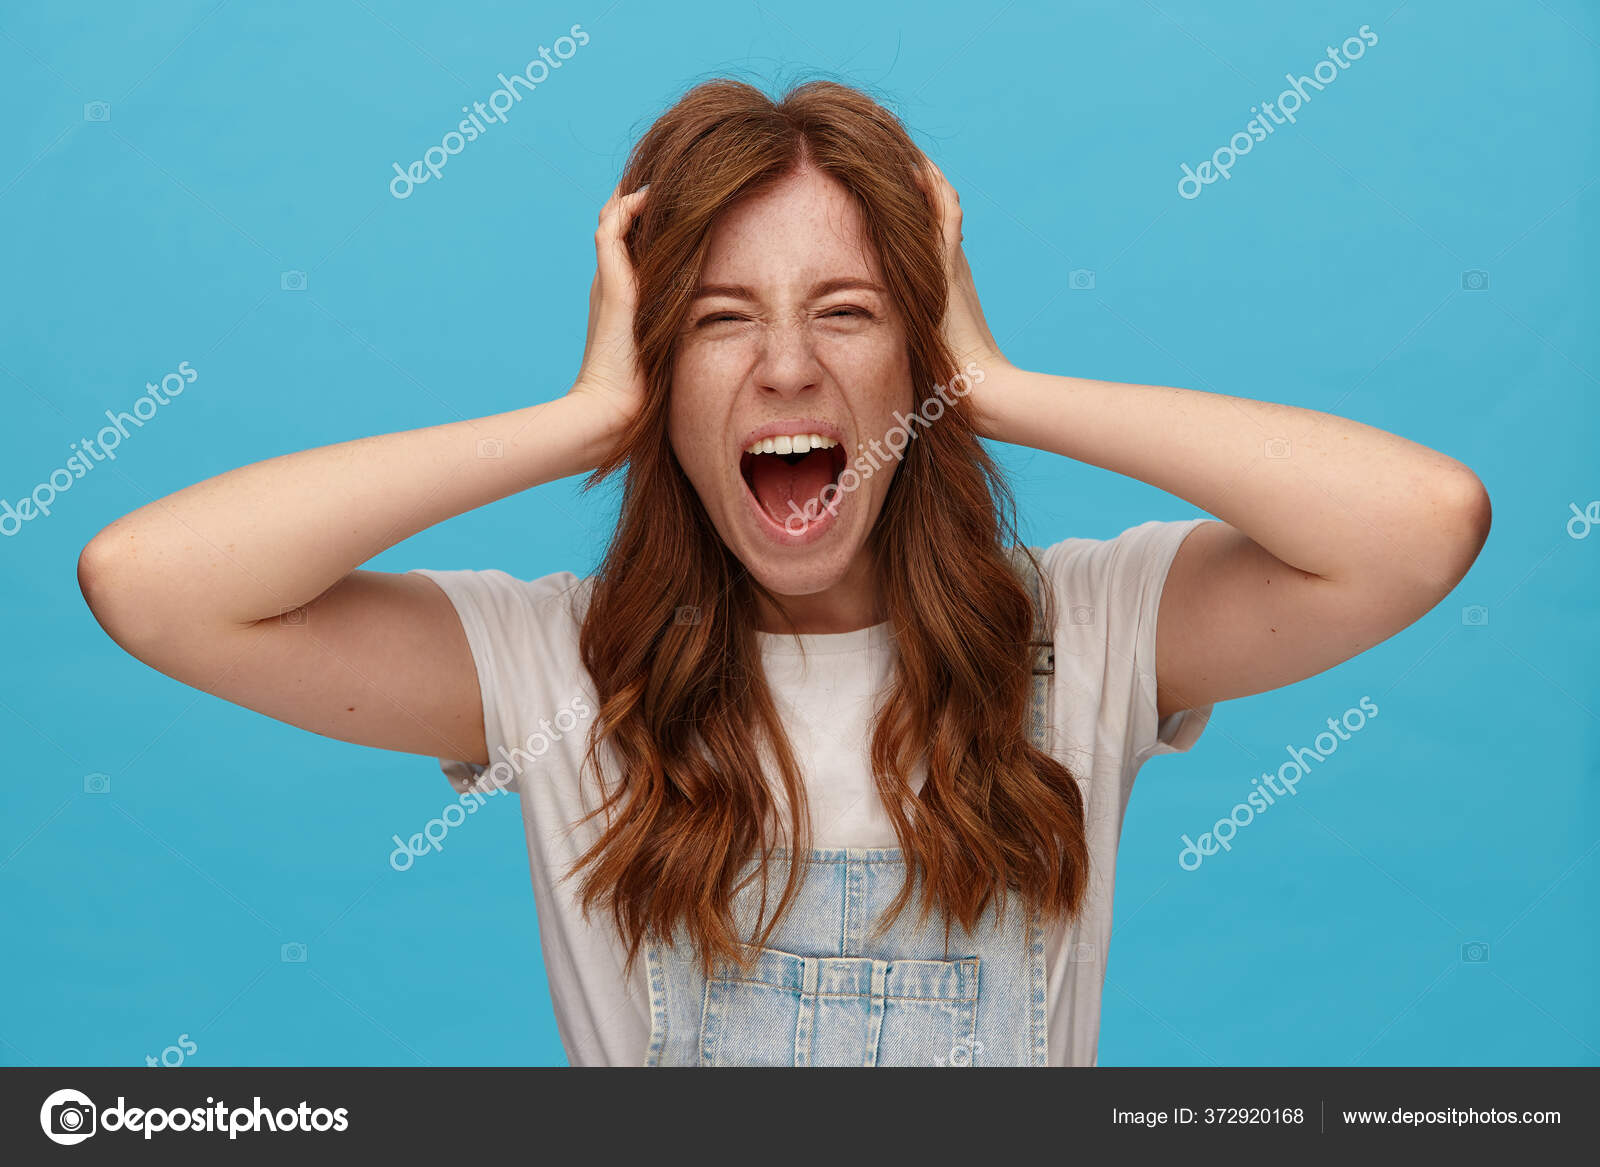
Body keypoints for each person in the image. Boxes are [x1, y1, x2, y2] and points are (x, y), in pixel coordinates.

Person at [77, 78, 1491, 1066]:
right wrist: (579, 420)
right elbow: (151, 582)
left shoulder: (1081, 636)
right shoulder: (554, 676)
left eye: (851, 312)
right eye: (718, 320)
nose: (789, 366)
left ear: (916, 361)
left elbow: (1420, 523)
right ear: (658, 375)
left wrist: (995, 378)